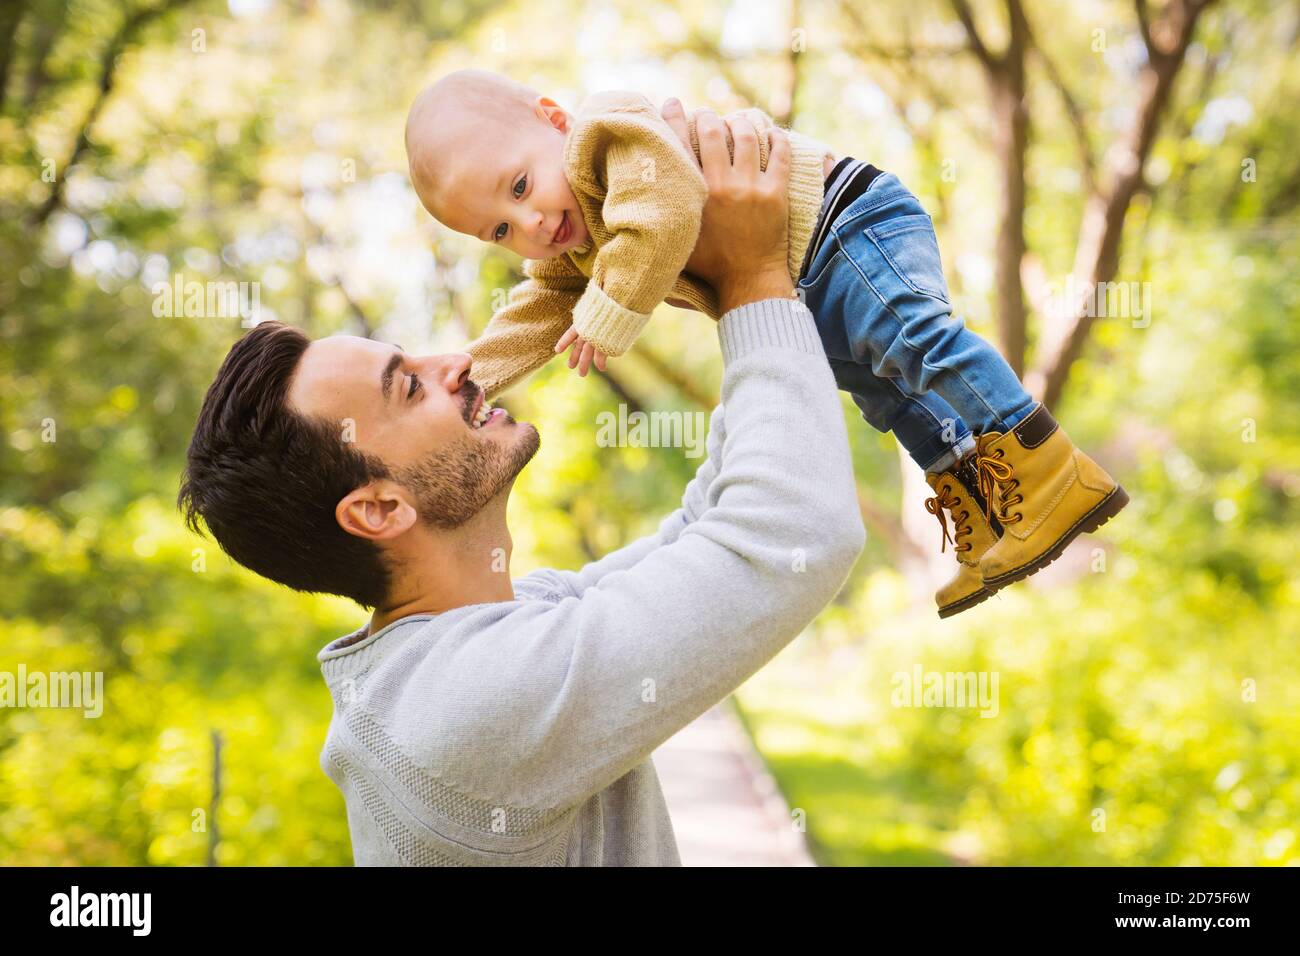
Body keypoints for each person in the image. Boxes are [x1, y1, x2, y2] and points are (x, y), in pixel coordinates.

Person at [177, 104, 865, 865]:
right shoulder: (472, 704)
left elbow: (707, 530)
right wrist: (753, 277)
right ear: (377, 508)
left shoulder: (486, 638)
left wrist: (720, 267)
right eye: (408, 388)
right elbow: (791, 535)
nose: (456, 364)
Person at [405, 71, 1129, 617]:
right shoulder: (577, 242)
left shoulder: (606, 136)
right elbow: (540, 307)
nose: (528, 221)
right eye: (499, 228)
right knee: (888, 395)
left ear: (553, 120)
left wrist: (610, 310)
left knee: (913, 341)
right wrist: (472, 377)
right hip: (802, 283)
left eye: (522, 184)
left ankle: (1044, 461)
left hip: (844, 225)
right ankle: (985, 506)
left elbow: (663, 213)